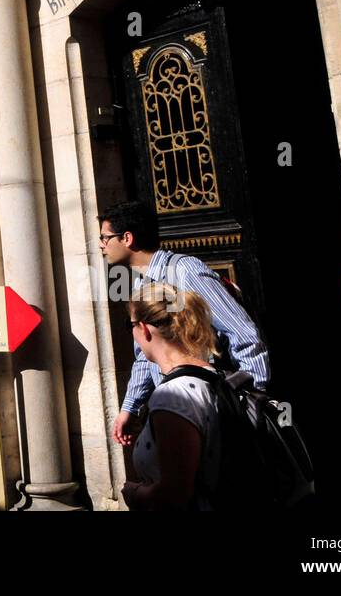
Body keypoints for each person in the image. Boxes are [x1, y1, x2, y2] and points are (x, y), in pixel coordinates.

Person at [99, 200, 269, 448]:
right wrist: (130, 407)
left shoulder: (185, 271)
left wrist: (250, 398)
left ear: (127, 238)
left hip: (214, 409)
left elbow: (243, 333)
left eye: (105, 237)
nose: (102, 245)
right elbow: (146, 357)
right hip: (176, 408)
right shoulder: (140, 284)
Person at [121, 282, 224, 510]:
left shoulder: (172, 397)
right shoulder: (213, 376)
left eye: (130, 326)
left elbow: (173, 495)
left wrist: (134, 493)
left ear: (144, 329)